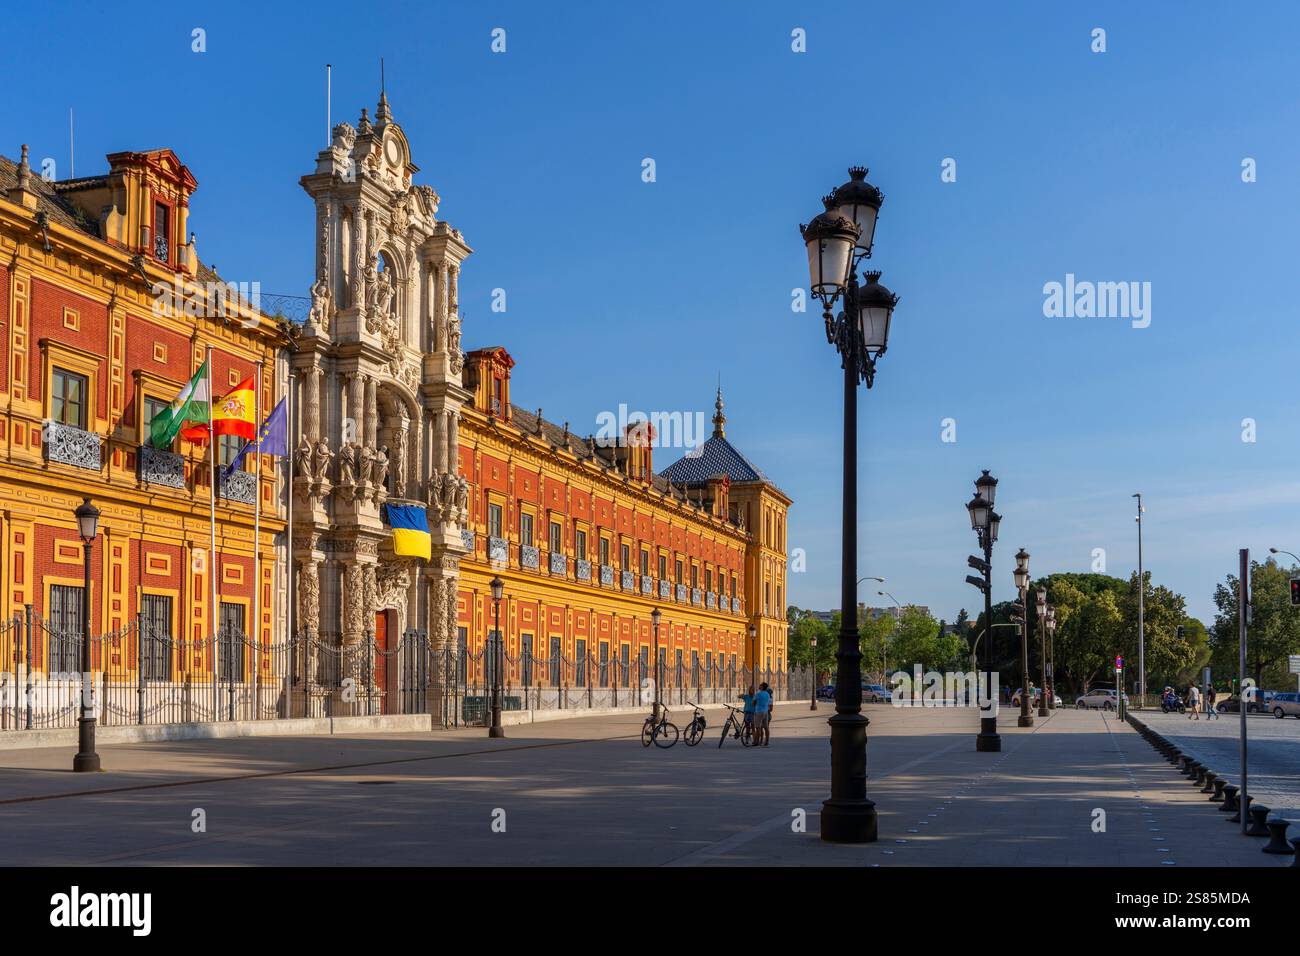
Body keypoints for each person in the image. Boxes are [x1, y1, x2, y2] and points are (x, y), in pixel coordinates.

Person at [753, 681, 772, 746]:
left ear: (762, 687)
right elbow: (769, 703)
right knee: (766, 727)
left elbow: (754, 702)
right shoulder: (767, 694)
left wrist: (755, 704)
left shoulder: (758, 694)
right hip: (765, 712)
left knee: (758, 728)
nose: (759, 686)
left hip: (759, 712)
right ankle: (766, 742)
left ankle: (756, 742)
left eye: (760, 685)